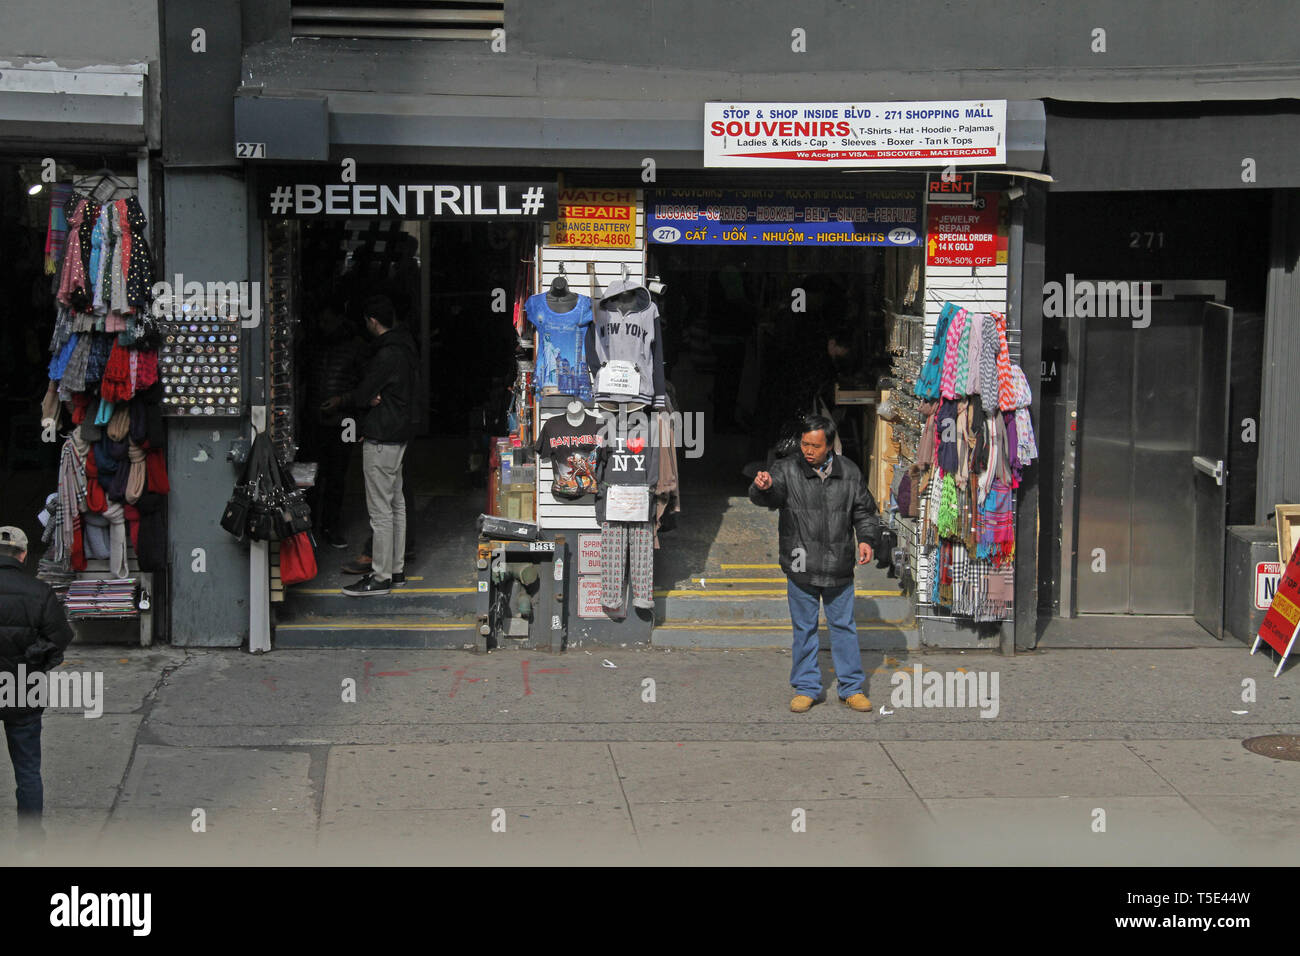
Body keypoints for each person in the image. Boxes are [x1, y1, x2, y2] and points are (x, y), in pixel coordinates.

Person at [748, 415, 880, 713]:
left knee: (843, 627)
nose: (808, 450)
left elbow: (865, 511)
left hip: (839, 565)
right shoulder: (786, 468)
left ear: (829, 445)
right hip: (800, 563)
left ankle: (851, 688)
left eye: (815, 446)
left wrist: (866, 539)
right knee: (804, 628)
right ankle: (807, 687)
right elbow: (769, 495)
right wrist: (763, 486)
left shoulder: (849, 471)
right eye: (805, 444)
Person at [322, 295, 419, 597]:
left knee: (380, 511)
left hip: (382, 436)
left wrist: (370, 398)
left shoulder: (386, 354)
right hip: (400, 434)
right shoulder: (406, 348)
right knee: (397, 505)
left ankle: (379, 577)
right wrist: (374, 396)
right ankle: (396, 570)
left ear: (373, 322)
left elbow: (363, 393)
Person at [0, 526, 75, 846]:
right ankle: (30, 846)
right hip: (23, 688)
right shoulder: (39, 592)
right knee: (27, 770)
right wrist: (33, 663)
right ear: (23, 554)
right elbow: (60, 638)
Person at [304, 301, 364, 549]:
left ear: (340, 319)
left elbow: (363, 387)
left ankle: (330, 526)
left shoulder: (355, 347)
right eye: (321, 321)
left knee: (337, 477)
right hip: (316, 419)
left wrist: (342, 402)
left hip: (343, 421)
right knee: (311, 478)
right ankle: (309, 527)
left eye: (327, 320)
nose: (323, 326)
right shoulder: (313, 345)